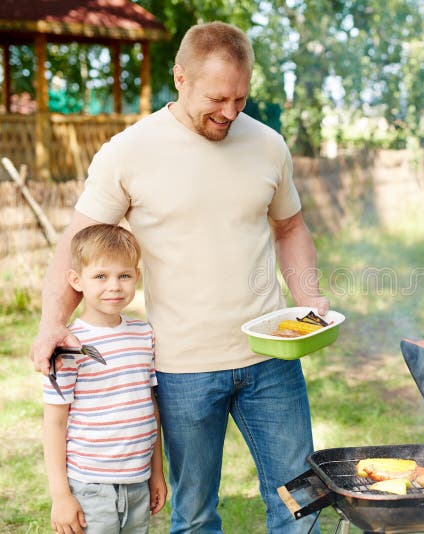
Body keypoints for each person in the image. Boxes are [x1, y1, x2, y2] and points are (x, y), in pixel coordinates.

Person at [29, 22, 328, 533]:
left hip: (272, 355)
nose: (230, 112)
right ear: (180, 78)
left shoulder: (268, 144)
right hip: (182, 367)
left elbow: (290, 227)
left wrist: (309, 298)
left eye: (240, 98)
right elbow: (76, 244)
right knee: (194, 516)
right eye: (217, 98)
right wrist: (51, 324)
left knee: (300, 502)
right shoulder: (129, 151)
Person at [42, 224, 166, 534]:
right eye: (100, 276)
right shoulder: (68, 345)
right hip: (90, 485)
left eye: (124, 275)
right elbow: (54, 423)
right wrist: (61, 495)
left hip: (137, 480)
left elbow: (150, 408)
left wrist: (156, 473)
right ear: (76, 280)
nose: (114, 286)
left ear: (137, 276)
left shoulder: (144, 334)